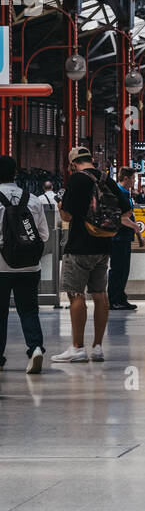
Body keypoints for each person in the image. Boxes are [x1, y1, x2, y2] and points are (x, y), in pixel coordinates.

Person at [53, 147, 135, 363]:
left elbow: (67, 216)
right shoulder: (106, 179)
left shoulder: (76, 180)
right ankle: (98, 347)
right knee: (100, 294)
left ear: (72, 164)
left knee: (75, 294)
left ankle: (77, 348)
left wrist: (60, 203)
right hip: (103, 245)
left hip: (79, 246)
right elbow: (126, 211)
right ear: (91, 159)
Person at [0, 155, 49, 373]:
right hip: (30, 266)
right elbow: (44, 236)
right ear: (15, 174)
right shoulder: (33, 199)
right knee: (29, 310)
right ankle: (35, 348)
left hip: (0, 267)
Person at [108, 167, 145, 311]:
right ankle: (114, 300)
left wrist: (137, 233)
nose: (134, 181)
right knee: (117, 270)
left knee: (123, 270)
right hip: (118, 237)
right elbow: (121, 218)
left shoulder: (125, 193)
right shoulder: (119, 193)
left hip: (124, 237)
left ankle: (121, 298)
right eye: (133, 179)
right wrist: (136, 229)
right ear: (126, 179)